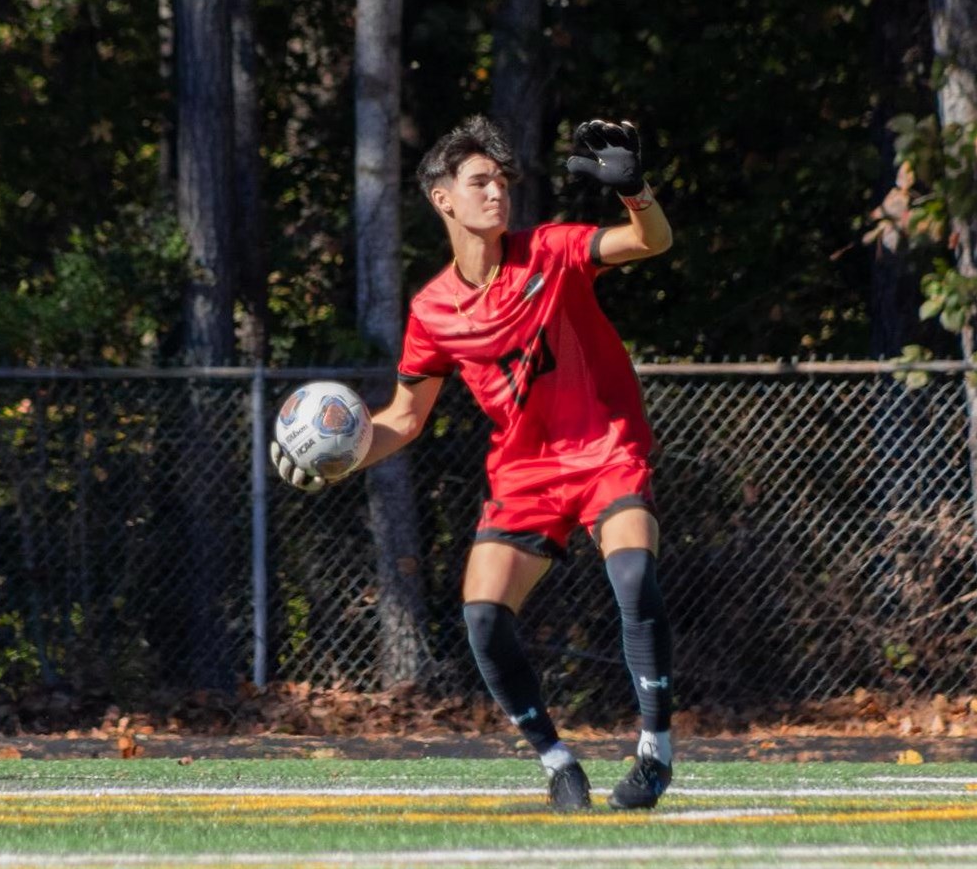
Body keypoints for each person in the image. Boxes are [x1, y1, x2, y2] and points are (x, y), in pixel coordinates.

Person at [270, 116, 676, 811]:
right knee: (484, 618)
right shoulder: (432, 310)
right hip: (524, 473)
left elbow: (651, 240)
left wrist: (635, 190)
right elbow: (404, 418)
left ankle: (654, 751)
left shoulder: (549, 250)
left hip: (604, 448)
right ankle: (558, 764)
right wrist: (343, 459)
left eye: (501, 181)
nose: (496, 192)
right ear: (442, 199)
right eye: (479, 181)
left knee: (634, 577)